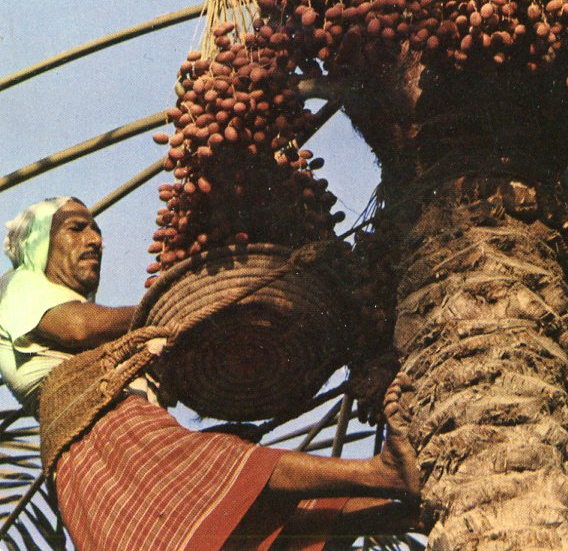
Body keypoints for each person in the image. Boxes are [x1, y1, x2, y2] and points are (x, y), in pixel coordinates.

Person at [0, 196, 422, 550]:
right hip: (98, 434)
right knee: (237, 470)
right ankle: (380, 474)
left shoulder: (86, 340)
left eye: (97, 231)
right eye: (77, 228)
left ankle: (408, 510)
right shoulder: (15, 285)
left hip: (88, 463)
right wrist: (172, 314)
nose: (95, 240)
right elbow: (79, 326)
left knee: (246, 514)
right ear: (39, 243)